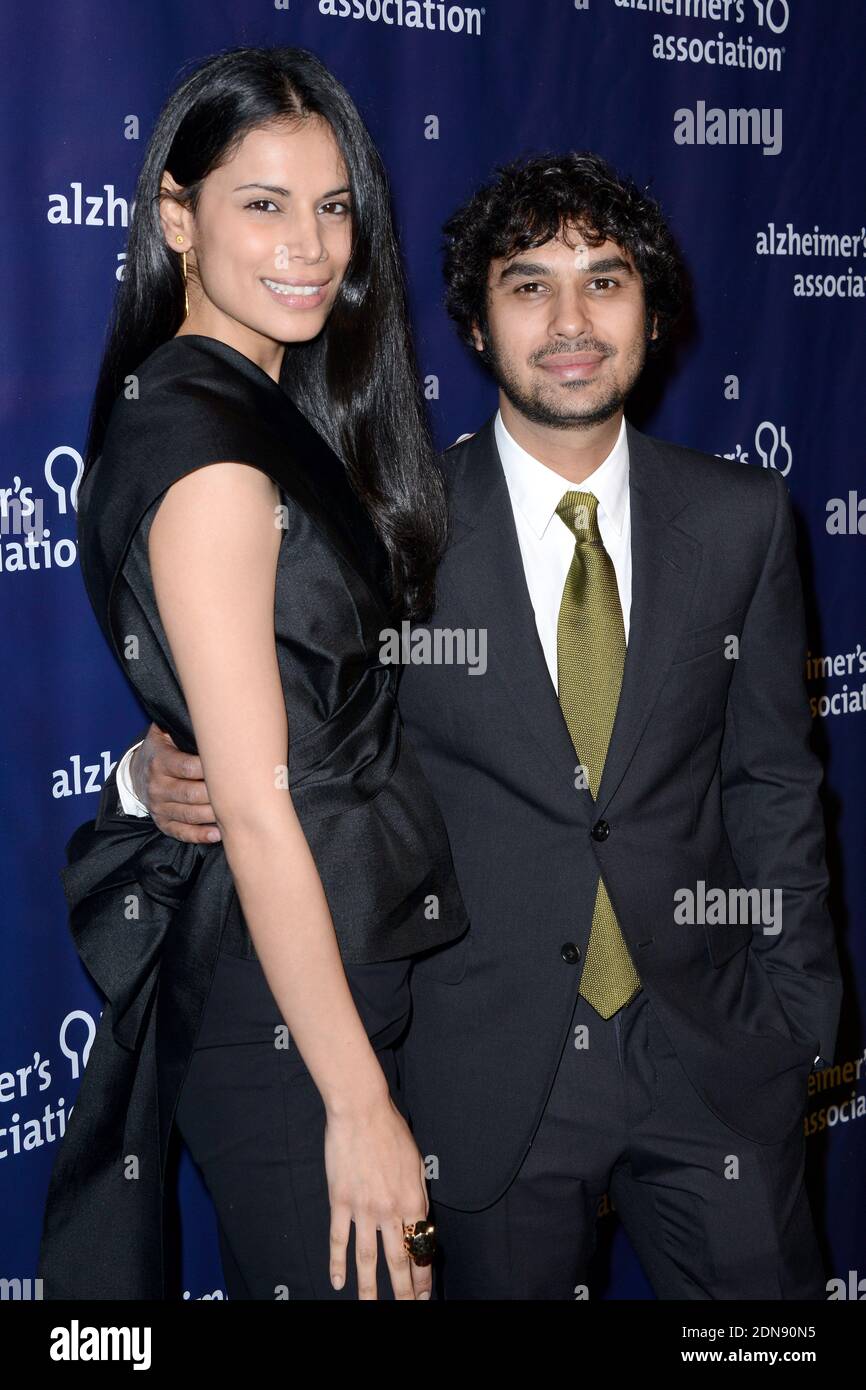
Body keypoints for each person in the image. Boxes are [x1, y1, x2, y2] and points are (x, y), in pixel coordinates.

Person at [112, 151, 843, 1299]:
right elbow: (300, 740)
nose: (569, 321)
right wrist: (144, 774)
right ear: (473, 321)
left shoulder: (742, 518)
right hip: (480, 1070)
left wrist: (797, 1010)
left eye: (603, 281)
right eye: (526, 284)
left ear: (651, 309)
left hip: (710, 1050)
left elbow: (771, 782)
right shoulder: (385, 528)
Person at [38, 45, 468, 1302]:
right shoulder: (213, 451)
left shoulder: (234, 405)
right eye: (263, 203)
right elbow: (265, 802)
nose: (311, 246)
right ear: (176, 217)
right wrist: (356, 1104)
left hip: (314, 973)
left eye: (332, 207)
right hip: (284, 1018)